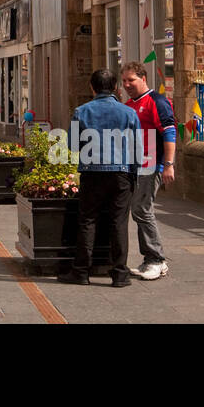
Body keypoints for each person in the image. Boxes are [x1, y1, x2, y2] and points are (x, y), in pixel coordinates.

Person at [58, 69, 140, 288]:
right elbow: (137, 148)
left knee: (87, 220)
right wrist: (134, 173)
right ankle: (120, 274)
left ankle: (81, 271)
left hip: (92, 172)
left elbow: (72, 145)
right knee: (119, 223)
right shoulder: (129, 113)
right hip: (121, 173)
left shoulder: (82, 111)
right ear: (115, 87)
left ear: (92, 87)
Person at [120, 62, 177, 281]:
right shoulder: (129, 105)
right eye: (124, 81)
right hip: (135, 165)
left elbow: (169, 133)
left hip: (152, 164)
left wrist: (169, 164)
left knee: (142, 210)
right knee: (139, 211)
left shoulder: (157, 101)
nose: (127, 85)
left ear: (143, 78)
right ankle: (149, 260)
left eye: (131, 80)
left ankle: (156, 260)